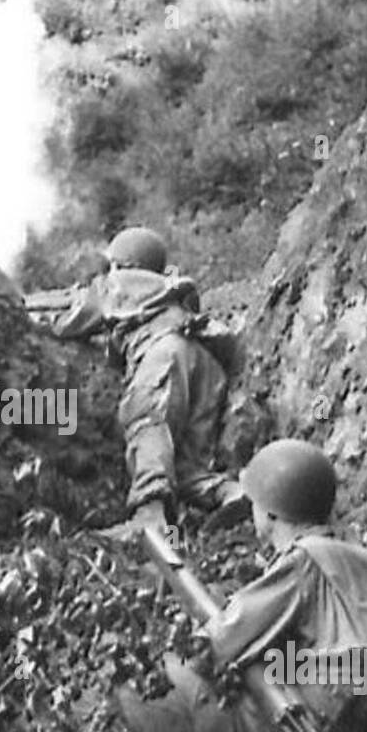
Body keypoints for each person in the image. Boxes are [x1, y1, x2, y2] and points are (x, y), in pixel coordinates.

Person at [116, 438, 367, 732]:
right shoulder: (358, 561)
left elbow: (219, 642)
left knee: (127, 693)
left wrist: (185, 633)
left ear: (271, 513)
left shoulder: (303, 564)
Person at [49, 226, 245, 537]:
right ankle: (230, 493)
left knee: (146, 420)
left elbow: (68, 323)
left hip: (163, 354)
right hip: (206, 362)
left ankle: (150, 516)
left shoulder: (117, 283)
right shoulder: (171, 293)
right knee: (184, 461)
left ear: (123, 263)